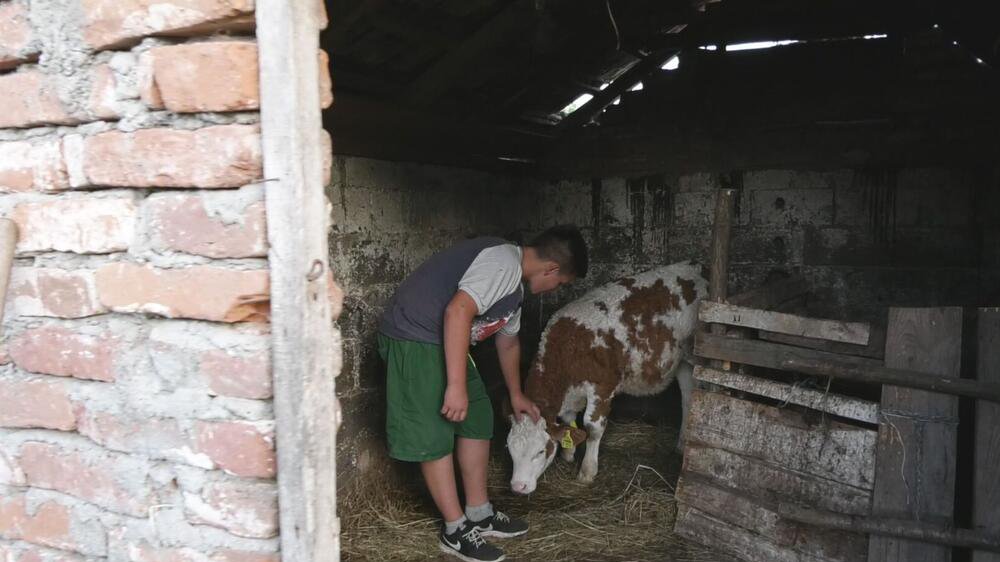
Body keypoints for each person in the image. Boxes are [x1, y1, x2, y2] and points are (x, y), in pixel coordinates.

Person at [376, 225, 588, 562]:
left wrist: (516, 393)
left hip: (443, 341)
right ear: (551, 269)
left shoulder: (514, 289)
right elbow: (457, 311)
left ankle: (478, 513)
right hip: (414, 337)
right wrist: (455, 386)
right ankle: (454, 530)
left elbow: (508, 342)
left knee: (478, 416)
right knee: (434, 430)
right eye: (560, 283)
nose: (554, 290)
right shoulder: (503, 264)